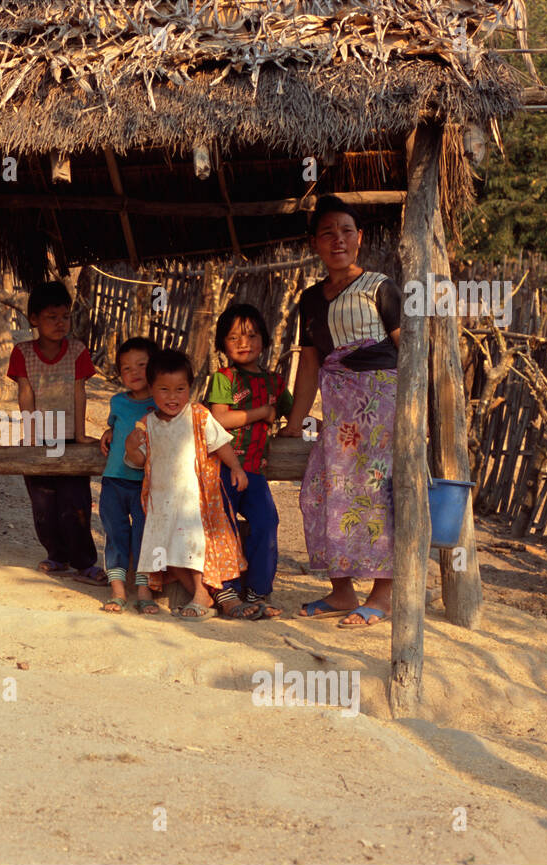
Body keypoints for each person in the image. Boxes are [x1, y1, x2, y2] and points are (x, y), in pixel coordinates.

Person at [279, 195, 402, 627]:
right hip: (340, 414)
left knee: (376, 495)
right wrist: (294, 423)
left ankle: (383, 594)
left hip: (382, 407)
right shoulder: (310, 299)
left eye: (346, 231)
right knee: (318, 491)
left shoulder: (379, 287)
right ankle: (342, 591)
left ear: (360, 238)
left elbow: (408, 350)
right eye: (328, 233)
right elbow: (310, 362)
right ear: (315, 243)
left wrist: (413, 416)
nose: (338, 240)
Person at [124, 348, 250, 622]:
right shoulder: (147, 424)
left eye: (180, 389)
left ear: (190, 388)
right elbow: (139, 461)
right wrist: (131, 447)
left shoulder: (198, 415)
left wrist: (236, 468)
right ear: (151, 388)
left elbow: (221, 444)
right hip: (160, 505)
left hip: (193, 501)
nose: (173, 397)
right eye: (164, 389)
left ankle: (202, 597)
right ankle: (199, 594)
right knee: (167, 552)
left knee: (192, 547)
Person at [7, 280, 106, 585]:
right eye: (52, 317)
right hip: (39, 438)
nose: (60, 323)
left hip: (69, 439)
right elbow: (26, 393)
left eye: (65, 316)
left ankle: (85, 563)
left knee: (75, 503)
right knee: (43, 505)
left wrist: (79, 436)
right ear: (33, 319)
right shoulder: (22, 352)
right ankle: (57, 556)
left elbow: (79, 393)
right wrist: (32, 436)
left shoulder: (77, 350)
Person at [206, 302, 293, 619]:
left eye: (252, 335)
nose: (244, 343)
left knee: (267, 523)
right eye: (234, 338)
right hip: (222, 468)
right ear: (222, 344)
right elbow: (219, 420)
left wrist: (319, 426)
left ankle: (257, 591)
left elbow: (293, 415)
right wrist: (262, 413)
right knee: (222, 526)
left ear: (265, 340)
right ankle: (226, 590)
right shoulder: (223, 378)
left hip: (255, 473)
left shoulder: (276, 383)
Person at [98, 336, 160, 613]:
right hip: (113, 481)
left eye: (142, 365)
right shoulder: (117, 402)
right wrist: (108, 433)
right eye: (126, 368)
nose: (134, 373)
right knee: (115, 533)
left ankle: (145, 589)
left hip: (146, 485)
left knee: (145, 536)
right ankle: (118, 590)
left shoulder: (161, 404)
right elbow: (116, 428)